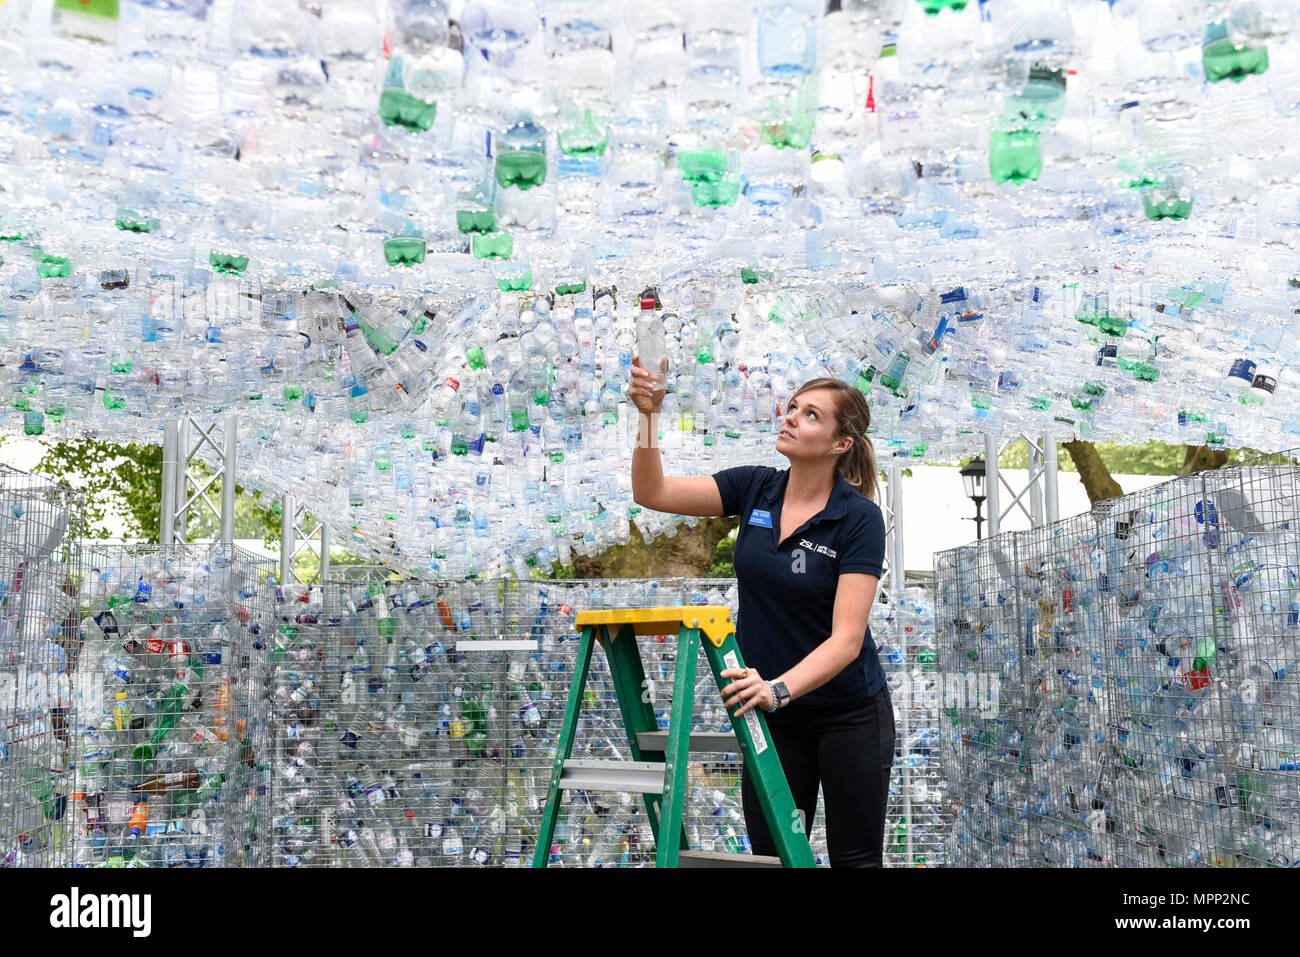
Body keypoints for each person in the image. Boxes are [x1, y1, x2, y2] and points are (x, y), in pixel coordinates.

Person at [628, 355, 895, 867]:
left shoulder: (858, 518)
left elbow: (846, 639)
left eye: (812, 414)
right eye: (793, 407)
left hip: (849, 715)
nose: (791, 416)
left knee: (855, 860)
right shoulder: (756, 487)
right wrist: (648, 415)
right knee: (774, 859)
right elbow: (652, 492)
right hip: (774, 718)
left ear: (842, 444)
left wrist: (777, 688)